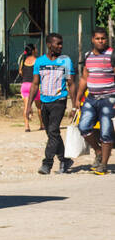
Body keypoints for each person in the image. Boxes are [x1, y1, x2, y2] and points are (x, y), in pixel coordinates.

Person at [27, 33, 75, 175]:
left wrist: (75, 105)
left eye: (61, 43)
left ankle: (47, 164)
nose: (60, 46)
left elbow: (71, 83)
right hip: (44, 102)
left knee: (53, 131)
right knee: (51, 133)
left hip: (59, 101)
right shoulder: (40, 62)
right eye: (57, 44)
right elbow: (35, 84)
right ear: (49, 45)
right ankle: (65, 160)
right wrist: (29, 105)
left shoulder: (65, 61)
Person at [76, 28, 115, 175]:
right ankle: (98, 151)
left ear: (106, 39)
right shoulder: (88, 56)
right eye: (98, 38)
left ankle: (103, 165)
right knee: (83, 127)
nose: (100, 41)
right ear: (92, 39)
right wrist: (77, 98)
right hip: (91, 98)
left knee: (106, 131)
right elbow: (84, 78)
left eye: (103, 38)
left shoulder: (112, 55)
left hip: (109, 99)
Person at [17, 43, 40, 131]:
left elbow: (20, 72)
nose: (37, 50)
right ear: (33, 50)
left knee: (26, 107)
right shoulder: (37, 61)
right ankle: (42, 125)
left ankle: (27, 126)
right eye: (36, 49)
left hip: (24, 85)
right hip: (34, 85)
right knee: (39, 107)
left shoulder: (23, 60)